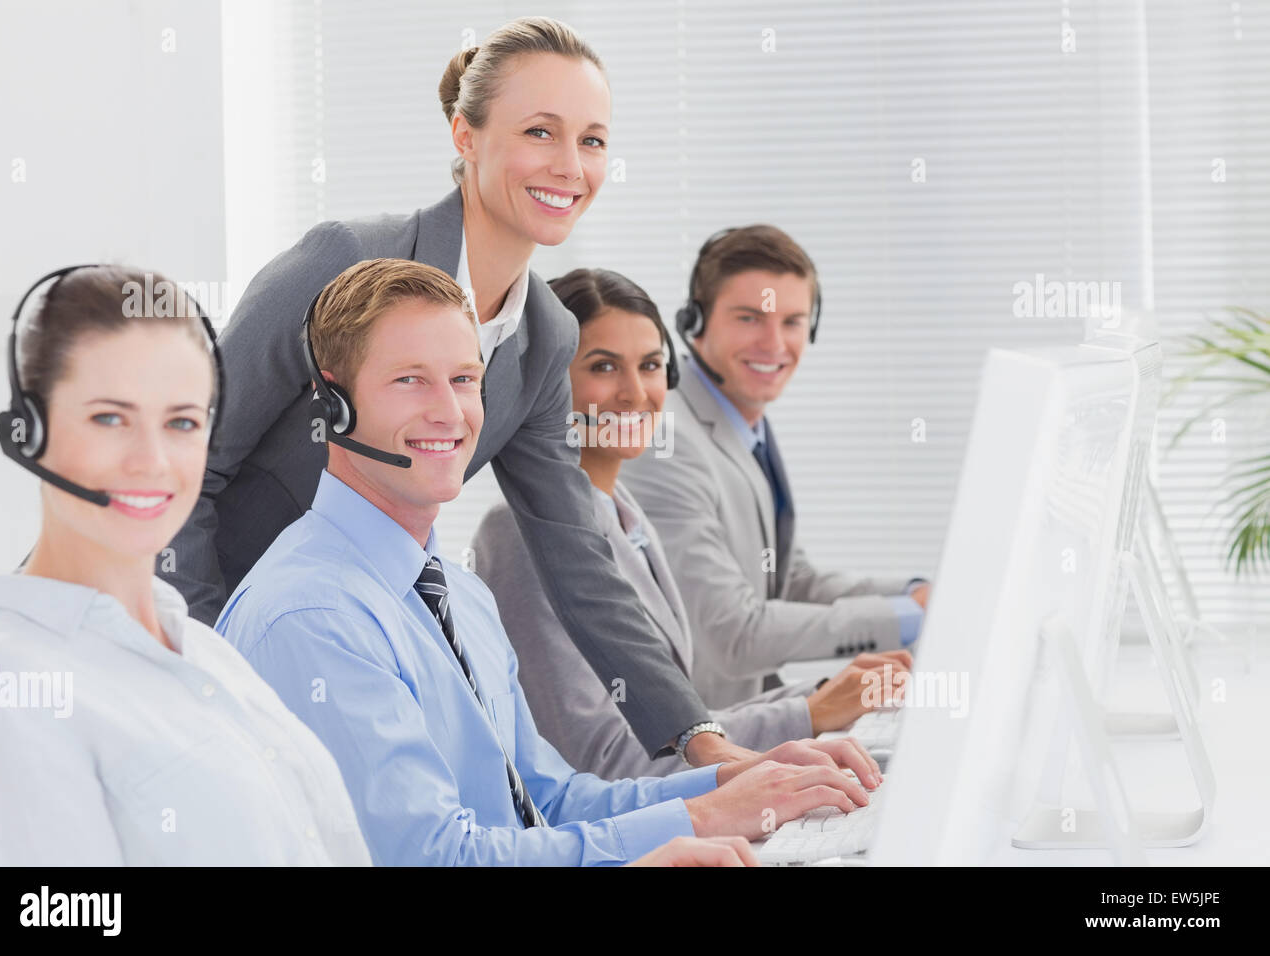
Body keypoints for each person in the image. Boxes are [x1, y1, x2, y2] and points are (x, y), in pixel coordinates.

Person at [166, 15, 737, 767]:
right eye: (540, 131)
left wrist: (703, 742)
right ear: (465, 137)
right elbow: (181, 466)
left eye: (592, 140)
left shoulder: (545, 337)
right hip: (209, 646)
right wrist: (216, 671)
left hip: (344, 657)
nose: (570, 165)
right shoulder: (343, 260)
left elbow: (579, 563)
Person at [215, 258, 883, 866]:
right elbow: (435, 858)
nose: (449, 412)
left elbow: (549, 800)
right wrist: (700, 818)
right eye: (410, 380)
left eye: (464, 379)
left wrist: (731, 782)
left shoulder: (460, 596)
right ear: (331, 403)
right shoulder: (314, 615)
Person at [0, 265, 371, 865]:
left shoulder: (209, 652)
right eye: (110, 418)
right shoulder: (6, 687)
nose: (153, 460)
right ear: (28, 431)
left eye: (182, 422)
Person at [473, 268, 912, 778]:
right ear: (549, 380)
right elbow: (600, 761)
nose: (635, 392)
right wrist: (810, 715)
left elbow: (682, 727)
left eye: (652, 365)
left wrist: (822, 696)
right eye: (604, 366)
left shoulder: (626, 515)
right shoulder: (521, 533)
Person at [622, 226, 932, 710]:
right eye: (750, 318)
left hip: (747, 726)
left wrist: (918, 594)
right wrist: (904, 618)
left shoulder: (742, 427)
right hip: (687, 749)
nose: (774, 343)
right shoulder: (667, 440)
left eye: (792, 321)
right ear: (694, 321)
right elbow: (732, 632)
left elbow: (790, 580)